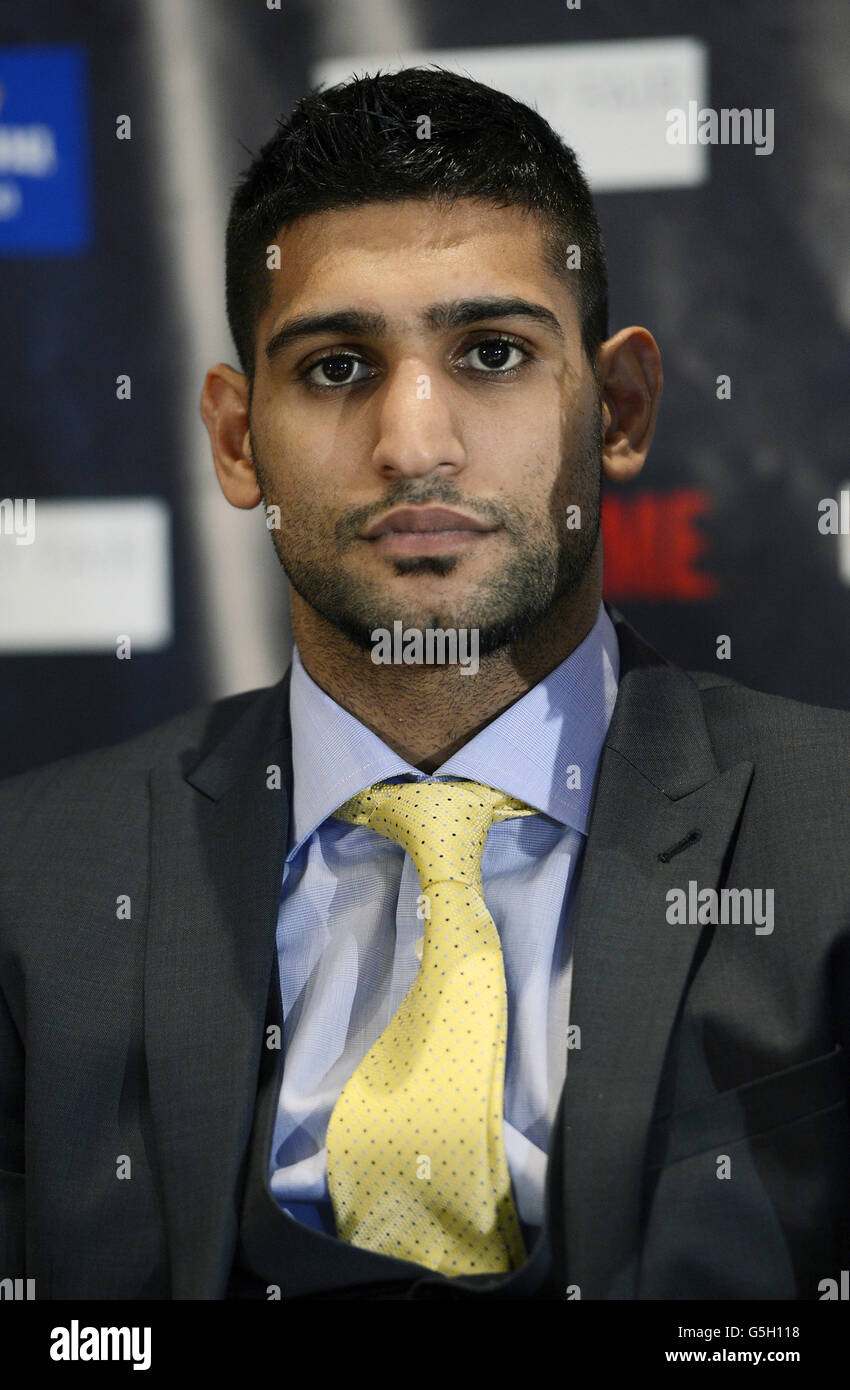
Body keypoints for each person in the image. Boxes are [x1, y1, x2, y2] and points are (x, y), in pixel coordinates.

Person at [1, 66, 848, 1303]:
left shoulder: (833, 832)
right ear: (237, 439)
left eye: (491, 353)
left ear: (618, 409)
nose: (413, 444)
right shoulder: (30, 882)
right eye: (335, 366)